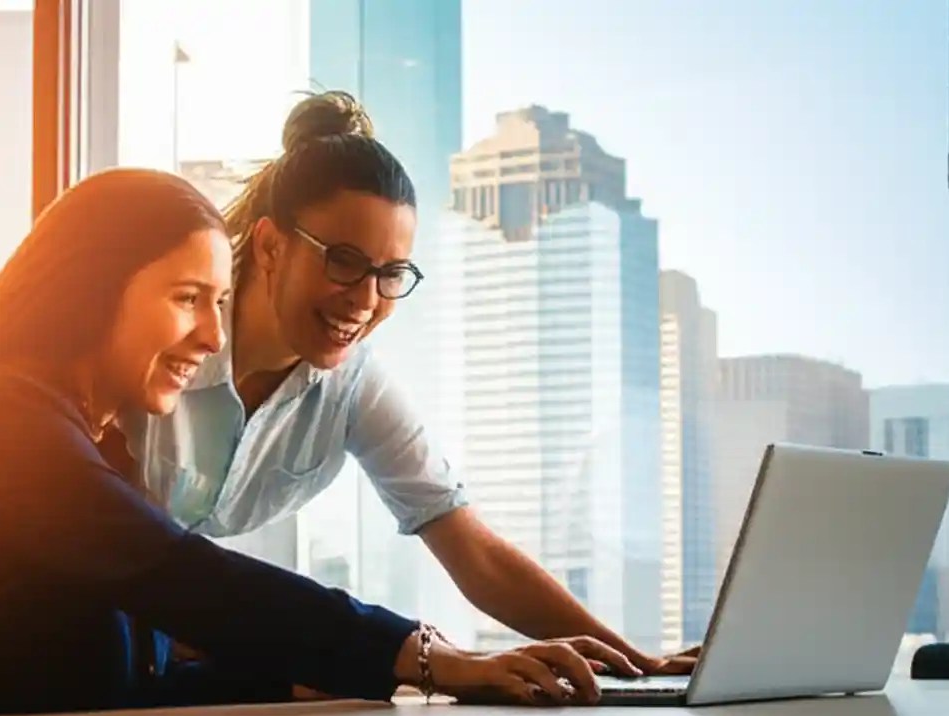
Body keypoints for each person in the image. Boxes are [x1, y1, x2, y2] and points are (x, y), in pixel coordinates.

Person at [0, 168, 636, 716]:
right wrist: (419, 653)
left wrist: (308, 676)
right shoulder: (1, 422)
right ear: (92, 289)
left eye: (219, 302)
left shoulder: (95, 445)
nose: (211, 335)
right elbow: (183, 576)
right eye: (187, 299)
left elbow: (116, 680)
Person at [125, 91, 698, 674]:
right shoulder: (166, 334)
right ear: (273, 246)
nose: (366, 301)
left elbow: (474, 553)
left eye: (391, 274)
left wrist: (641, 665)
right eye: (343, 261)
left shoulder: (351, 385)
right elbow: (108, 538)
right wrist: (427, 660)